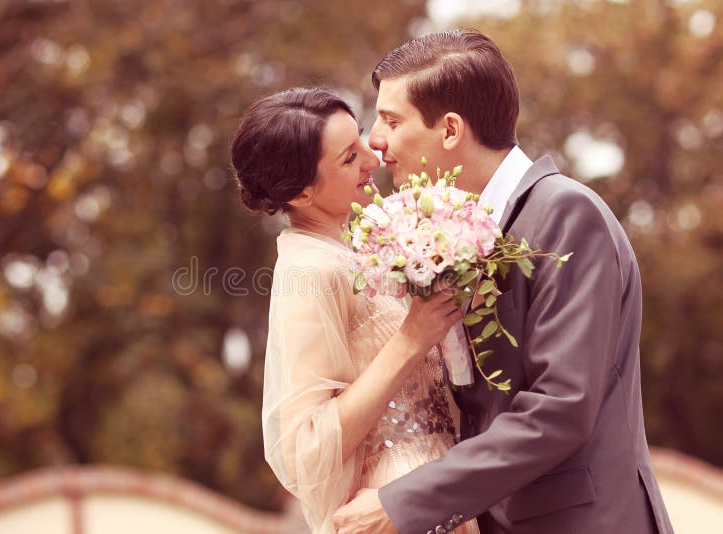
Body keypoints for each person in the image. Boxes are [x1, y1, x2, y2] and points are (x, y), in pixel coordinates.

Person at [332, 29, 674, 534]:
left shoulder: (565, 214)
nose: (374, 142)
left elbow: (560, 409)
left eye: (390, 120)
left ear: (450, 130)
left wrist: (403, 502)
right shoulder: (452, 231)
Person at [231, 88, 480, 534]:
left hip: (439, 490)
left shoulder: (360, 248)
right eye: (349, 158)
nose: (373, 157)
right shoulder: (309, 271)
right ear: (302, 193)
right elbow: (305, 449)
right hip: (391, 501)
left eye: (362, 138)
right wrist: (410, 339)